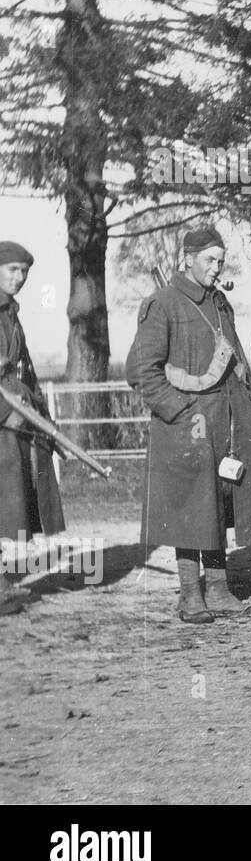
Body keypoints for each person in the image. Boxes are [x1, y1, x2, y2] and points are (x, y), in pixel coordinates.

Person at [126, 227, 251, 622]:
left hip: (224, 424)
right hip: (183, 426)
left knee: (215, 507)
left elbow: (236, 361)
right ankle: (190, 595)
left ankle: (219, 590)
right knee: (189, 510)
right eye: (209, 260)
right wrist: (179, 410)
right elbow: (139, 370)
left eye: (220, 261)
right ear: (187, 259)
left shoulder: (220, 303)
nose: (216, 267)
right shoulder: (163, 304)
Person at [0, 241, 66, 616]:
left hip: (16, 422)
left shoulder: (12, 313)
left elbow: (24, 370)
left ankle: (4, 582)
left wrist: (43, 416)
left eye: (24, 272)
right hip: (2, 420)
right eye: (12, 270)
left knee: (10, 507)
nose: (20, 278)